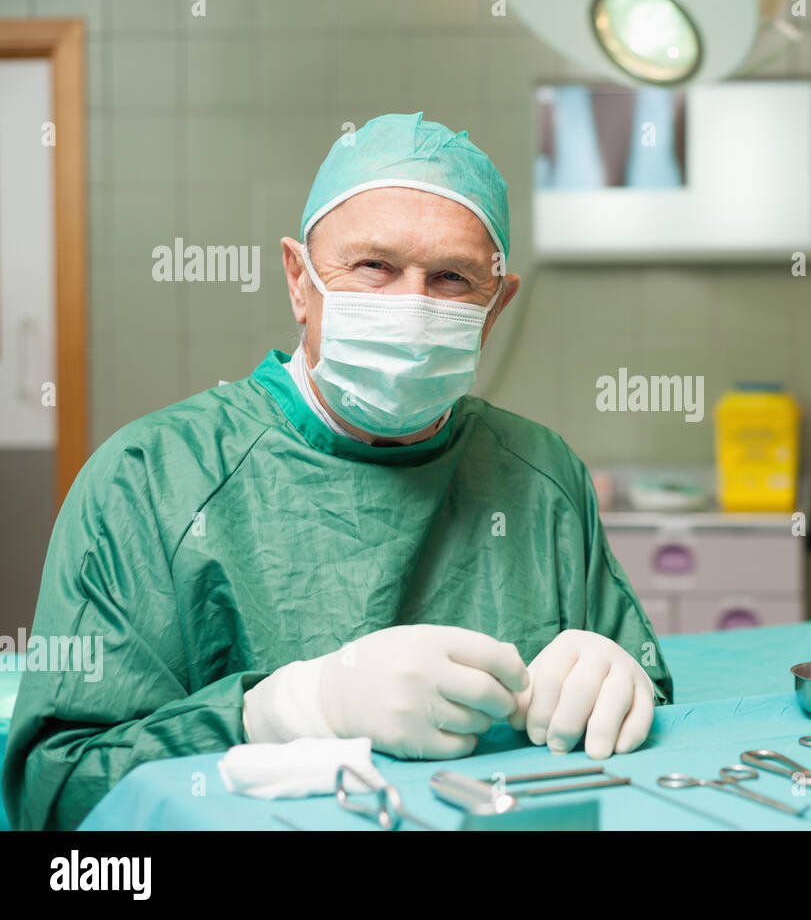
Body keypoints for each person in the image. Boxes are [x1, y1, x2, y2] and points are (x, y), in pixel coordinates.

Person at [2, 113, 672, 830]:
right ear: (299, 279)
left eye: (451, 279)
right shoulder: (150, 481)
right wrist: (286, 711)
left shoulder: (540, 475)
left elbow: (642, 714)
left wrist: (618, 679)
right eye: (374, 268)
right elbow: (58, 788)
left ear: (497, 305)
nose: (411, 308)